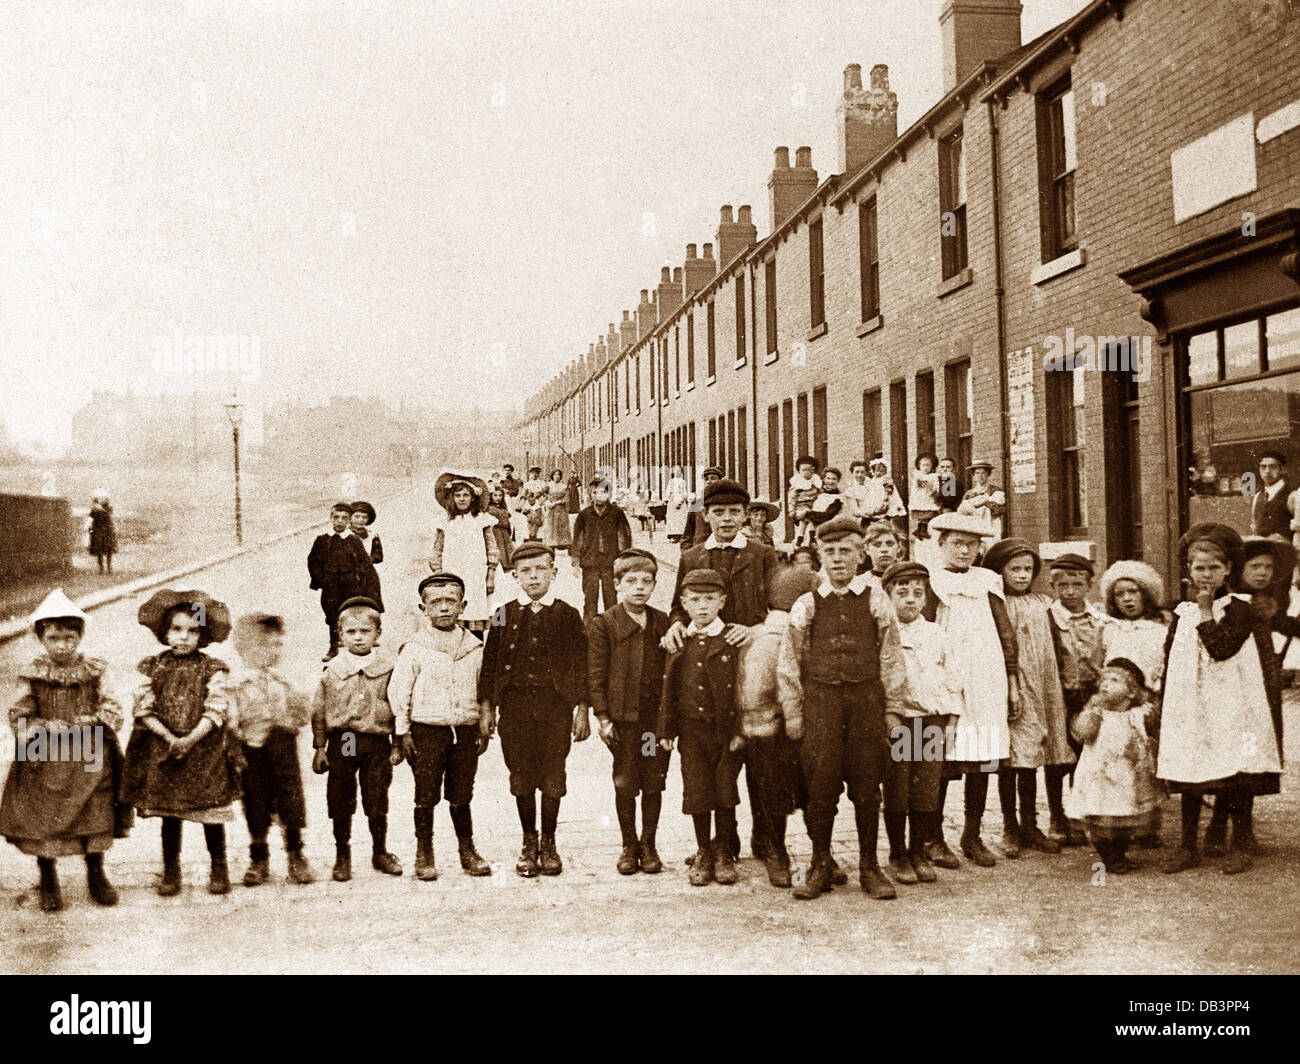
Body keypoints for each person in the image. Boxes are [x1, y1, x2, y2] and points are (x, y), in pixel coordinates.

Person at [777, 515, 906, 900]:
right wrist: (795, 713)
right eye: (829, 551)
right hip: (822, 704)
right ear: (818, 555)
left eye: (846, 551)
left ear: (861, 554)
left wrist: (893, 709)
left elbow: (892, 656)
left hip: (866, 703)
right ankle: (820, 863)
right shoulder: (806, 604)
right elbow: (789, 662)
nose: (837, 559)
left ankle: (870, 865)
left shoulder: (876, 599)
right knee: (821, 786)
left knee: (868, 787)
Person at [665, 478, 780, 861]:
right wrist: (677, 624)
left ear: (746, 515)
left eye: (734, 512)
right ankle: (722, 843)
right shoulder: (693, 556)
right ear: (706, 516)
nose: (726, 520)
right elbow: (678, 607)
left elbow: (779, 608)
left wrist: (754, 629)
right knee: (719, 760)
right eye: (718, 512)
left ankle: (765, 839)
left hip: (751, 666)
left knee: (760, 760)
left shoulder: (763, 554)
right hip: (707, 670)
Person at [1159, 524, 1282, 875]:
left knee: (1235, 770)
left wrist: (1207, 611)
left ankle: (1239, 842)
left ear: (1228, 569)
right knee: (1192, 767)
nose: (1207, 575)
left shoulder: (1241, 609)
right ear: (1188, 570)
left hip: (1234, 702)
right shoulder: (1182, 612)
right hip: (1193, 701)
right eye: (1199, 568)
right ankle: (1187, 846)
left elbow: (1221, 648)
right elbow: (1173, 658)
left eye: (1214, 567)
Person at [0, 589, 128, 912]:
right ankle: (47, 876)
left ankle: (96, 871)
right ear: (42, 638)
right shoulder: (33, 673)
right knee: (44, 812)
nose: (62, 645)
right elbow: (18, 713)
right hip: (45, 751)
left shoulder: (95, 670)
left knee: (95, 808)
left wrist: (96, 719)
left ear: (80, 637)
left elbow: (113, 705)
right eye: (54, 638)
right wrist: (40, 725)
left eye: (69, 638)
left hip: (88, 747)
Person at [121, 588, 241, 897]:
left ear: (203, 636)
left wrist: (190, 738)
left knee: (210, 813)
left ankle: (219, 866)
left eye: (192, 631)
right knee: (171, 815)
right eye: (176, 629)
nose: (184, 637)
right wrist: (168, 736)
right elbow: (142, 708)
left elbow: (217, 708)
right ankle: (171, 870)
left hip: (204, 749)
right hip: (165, 749)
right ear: (165, 632)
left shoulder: (212, 669)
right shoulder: (153, 666)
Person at [479, 541, 589, 877]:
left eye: (541, 569)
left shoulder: (568, 614)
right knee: (522, 773)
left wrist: (582, 708)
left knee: (553, 772)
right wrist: (487, 708)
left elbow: (581, 664)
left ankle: (550, 841)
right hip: (515, 709)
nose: (534, 577)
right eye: (525, 571)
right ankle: (529, 841)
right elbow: (490, 663)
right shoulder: (502, 613)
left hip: (555, 708)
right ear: (514, 576)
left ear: (554, 573)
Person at [922, 512, 1017, 869]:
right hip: (946, 678)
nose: (964, 551)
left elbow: (1005, 633)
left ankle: (972, 834)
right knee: (939, 759)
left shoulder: (988, 581)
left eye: (972, 544)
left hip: (986, 678)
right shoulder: (930, 580)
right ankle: (933, 837)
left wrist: (1012, 682)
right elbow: (924, 626)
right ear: (941, 544)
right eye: (956, 543)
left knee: (983, 757)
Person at [389, 573, 494, 881]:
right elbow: (399, 693)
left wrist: (483, 721)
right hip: (427, 732)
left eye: (451, 601)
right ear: (424, 609)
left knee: (462, 793)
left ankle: (467, 850)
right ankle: (425, 851)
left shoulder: (474, 648)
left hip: (464, 730)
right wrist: (403, 731)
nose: (444, 608)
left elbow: (484, 688)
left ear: (463, 606)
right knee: (426, 793)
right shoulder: (415, 648)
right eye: (436, 603)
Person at [1202, 537, 1297, 859]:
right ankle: (1216, 825)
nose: (1263, 573)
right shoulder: (1227, 602)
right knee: (1228, 758)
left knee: (1250, 757)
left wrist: (1279, 617)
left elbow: (1290, 626)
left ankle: (1243, 831)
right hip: (1230, 688)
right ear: (1239, 569)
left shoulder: (1266, 602)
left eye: (1269, 567)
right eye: (1255, 566)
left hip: (1261, 691)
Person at [657, 568, 746, 887]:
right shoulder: (680, 640)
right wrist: (666, 731)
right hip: (691, 731)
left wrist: (739, 731)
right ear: (684, 602)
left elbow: (741, 688)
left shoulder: (733, 639)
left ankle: (724, 851)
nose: (703, 607)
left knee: (724, 789)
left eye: (710, 600)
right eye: (695, 600)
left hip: (725, 731)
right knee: (696, 790)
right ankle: (703, 850)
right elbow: (670, 688)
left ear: (722, 601)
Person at [981, 539, 1068, 859]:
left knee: (1032, 758)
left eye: (1027, 569)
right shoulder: (994, 602)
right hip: (1010, 687)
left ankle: (1030, 824)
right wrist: (1009, 684)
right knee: (1010, 757)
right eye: (1014, 569)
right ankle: (1009, 825)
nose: (1021, 575)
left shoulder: (1042, 602)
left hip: (1043, 687)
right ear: (999, 571)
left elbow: (1056, 645)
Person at [587, 548, 671, 875]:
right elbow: (596, 673)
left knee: (652, 780)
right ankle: (628, 843)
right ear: (617, 584)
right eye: (631, 581)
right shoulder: (604, 624)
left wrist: (667, 725)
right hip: (622, 724)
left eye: (646, 581)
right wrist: (603, 717)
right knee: (625, 780)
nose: (639, 587)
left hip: (651, 726)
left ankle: (649, 843)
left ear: (653, 585)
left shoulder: (662, 622)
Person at [310, 597, 403, 882]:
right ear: (340, 635)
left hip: (376, 742)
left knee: (376, 797)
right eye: (351, 632)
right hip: (345, 740)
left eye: (365, 631)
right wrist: (320, 747)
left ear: (377, 634)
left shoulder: (388, 667)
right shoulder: (333, 670)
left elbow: (399, 704)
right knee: (341, 797)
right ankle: (342, 854)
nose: (358, 637)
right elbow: (319, 710)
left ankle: (380, 851)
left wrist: (397, 744)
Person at [735, 566, 815, 887]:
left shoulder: (765, 631)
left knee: (778, 790)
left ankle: (771, 843)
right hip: (773, 728)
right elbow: (756, 689)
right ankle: (774, 849)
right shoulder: (774, 637)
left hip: (774, 726)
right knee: (777, 792)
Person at [880, 561, 959, 885]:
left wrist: (951, 719)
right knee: (898, 790)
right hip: (900, 721)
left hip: (931, 720)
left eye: (917, 593)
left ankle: (918, 850)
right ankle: (898, 853)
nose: (910, 599)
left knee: (925, 790)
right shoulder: (884, 632)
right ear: (888, 596)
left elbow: (953, 676)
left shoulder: (936, 633)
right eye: (902, 593)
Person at [227, 612, 314, 887]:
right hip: (251, 749)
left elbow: (303, 712)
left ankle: (296, 853)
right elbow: (229, 719)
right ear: (244, 649)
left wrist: (290, 721)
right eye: (264, 646)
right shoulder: (235, 684)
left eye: (277, 645)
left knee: (291, 797)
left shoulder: (284, 681)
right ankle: (259, 856)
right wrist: (238, 735)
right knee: (255, 800)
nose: (272, 651)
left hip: (282, 748)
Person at [1066, 658, 1163, 874]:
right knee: (1100, 820)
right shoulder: (1098, 712)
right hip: (1101, 779)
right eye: (1104, 679)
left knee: (1127, 819)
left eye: (1115, 680)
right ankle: (1109, 857)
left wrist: (1151, 708)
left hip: (1129, 780)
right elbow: (1083, 734)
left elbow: (1151, 729)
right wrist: (1090, 709)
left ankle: (1120, 854)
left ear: (1131, 692)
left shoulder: (1137, 714)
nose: (1106, 684)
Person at [1046, 554, 1105, 845]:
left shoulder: (1100, 618)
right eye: (1062, 585)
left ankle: (1080, 815)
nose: (1070, 591)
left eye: (1077, 584)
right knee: (1059, 758)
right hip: (1061, 695)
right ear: (1052, 586)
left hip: (1092, 695)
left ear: (1089, 585)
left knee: (1087, 757)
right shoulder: (1049, 617)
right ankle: (1057, 817)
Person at [308, 501, 383, 660]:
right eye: (336, 517)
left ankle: (353, 646)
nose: (340, 521)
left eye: (344, 518)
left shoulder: (353, 540)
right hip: (330, 584)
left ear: (349, 521)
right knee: (332, 615)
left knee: (352, 613)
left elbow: (364, 563)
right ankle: (333, 646)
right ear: (331, 518)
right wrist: (321, 579)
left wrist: (360, 581)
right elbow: (313, 561)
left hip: (350, 585)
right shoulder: (323, 539)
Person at [430, 472, 499, 637]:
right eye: (457, 495)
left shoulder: (481, 519)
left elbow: (491, 547)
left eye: (466, 495)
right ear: (452, 498)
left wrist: (490, 575)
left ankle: (475, 648)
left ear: (473, 498)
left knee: (476, 611)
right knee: (453, 611)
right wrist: (439, 574)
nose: (461, 499)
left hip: (477, 574)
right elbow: (437, 549)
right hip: (453, 572)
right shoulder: (445, 521)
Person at [571, 476, 633, 623]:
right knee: (590, 599)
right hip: (590, 562)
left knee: (611, 598)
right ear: (590, 495)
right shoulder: (584, 515)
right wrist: (575, 560)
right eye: (595, 493)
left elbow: (624, 536)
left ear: (608, 494)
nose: (599, 496)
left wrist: (624, 559)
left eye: (603, 492)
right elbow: (577, 539)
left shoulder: (616, 513)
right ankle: (590, 632)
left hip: (610, 562)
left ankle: (612, 629)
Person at [959, 460, 1006, 539]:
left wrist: (983, 504)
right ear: (973, 476)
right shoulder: (969, 494)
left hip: (992, 524)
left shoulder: (995, 490)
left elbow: (1001, 509)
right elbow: (962, 511)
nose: (980, 476)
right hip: (974, 525)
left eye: (983, 473)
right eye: (977, 473)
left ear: (988, 474)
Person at [682, 465, 724, 549]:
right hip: (700, 551)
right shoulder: (696, 504)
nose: (709, 481)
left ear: (720, 481)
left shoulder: (727, 502)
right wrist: (686, 552)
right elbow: (688, 534)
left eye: (713, 478)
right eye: (706, 479)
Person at [1251, 450, 1291, 538]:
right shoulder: (1258, 496)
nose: (1267, 471)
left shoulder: (1292, 494)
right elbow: (1255, 527)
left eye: (1272, 467)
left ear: (1281, 469)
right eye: (1263, 467)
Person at [788, 456, 823, 546]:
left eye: (808, 470)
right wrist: (791, 510)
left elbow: (820, 494)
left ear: (813, 471)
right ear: (799, 471)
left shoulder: (815, 482)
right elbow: (792, 497)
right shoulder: (797, 483)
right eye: (803, 470)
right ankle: (800, 537)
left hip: (813, 505)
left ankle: (812, 537)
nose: (806, 472)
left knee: (812, 520)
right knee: (803, 522)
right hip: (801, 506)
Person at [909, 453, 941, 542]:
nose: (925, 467)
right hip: (919, 498)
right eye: (923, 465)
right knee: (920, 514)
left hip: (928, 497)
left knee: (927, 513)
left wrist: (933, 490)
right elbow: (915, 487)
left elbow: (935, 487)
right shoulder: (917, 475)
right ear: (919, 466)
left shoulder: (933, 476)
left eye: (928, 465)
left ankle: (923, 530)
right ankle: (919, 529)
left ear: (932, 466)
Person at [485, 484, 515, 572]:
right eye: (495, 495)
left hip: (504, 532)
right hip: (494, 531)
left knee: (506, 548)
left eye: (500, 495)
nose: (498, 498)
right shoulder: (489, 509)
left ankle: (506, 564)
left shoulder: (503, 508)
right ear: (491, 496)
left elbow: (507, 522)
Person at [87, 491, 117, 574]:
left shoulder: (105, 508)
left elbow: (92, 516)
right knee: (104, 550)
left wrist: (97, 507)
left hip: (101, 530)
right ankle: (105, 568)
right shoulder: (99, 509)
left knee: (105, 550)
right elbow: (92, 516)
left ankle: (105, 568)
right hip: (105, 530)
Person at [544, 470, 572, 550]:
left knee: (561, 526)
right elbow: (543, 496)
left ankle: (562, 543)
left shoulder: (563, 486)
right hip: (551, 510)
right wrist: (547, 502)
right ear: (552, 476)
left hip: (560, 509)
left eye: (559, 475)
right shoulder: (548, 486)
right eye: (555, 475)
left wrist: (557, 502)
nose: (557, 476)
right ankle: (551, 544)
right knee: (551, 526)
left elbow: (566, 498)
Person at [521, 467, 548, 539]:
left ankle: (537, 536)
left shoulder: (542, 483)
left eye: (536, 473)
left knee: (539, 520)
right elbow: (524, 495)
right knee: (530, 520)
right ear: (530, 474)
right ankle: (531, 535)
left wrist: (543, 501)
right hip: (529, 503)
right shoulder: (527, 484)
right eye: (532, 473)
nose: (534, 475)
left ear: (538, 474)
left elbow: (546, 495)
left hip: (539, 503)